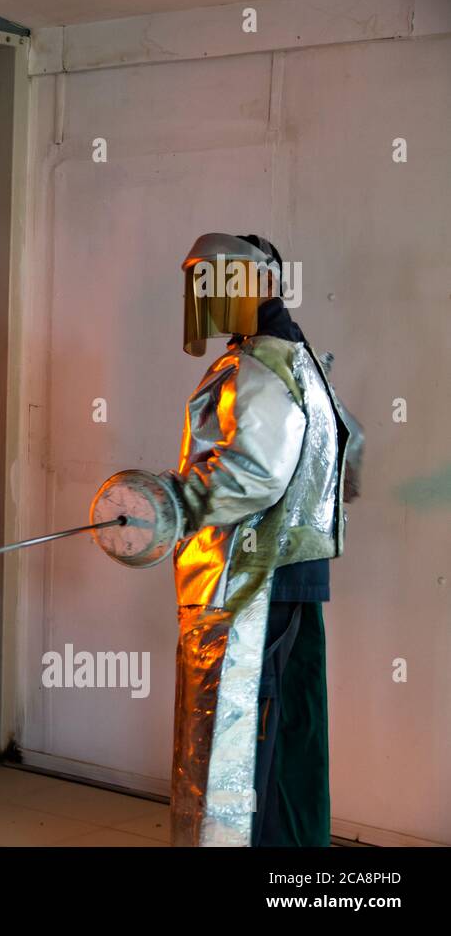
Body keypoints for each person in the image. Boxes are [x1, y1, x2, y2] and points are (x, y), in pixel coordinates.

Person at [164, 233, 362, 846]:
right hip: (298, 571)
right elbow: (350, 452)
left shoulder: (257, 363)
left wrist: (175, 500)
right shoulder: (303, 359)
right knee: (286, 729)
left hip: (249, 579)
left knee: (233, 730)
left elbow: (254, 472)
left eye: (208, 282)